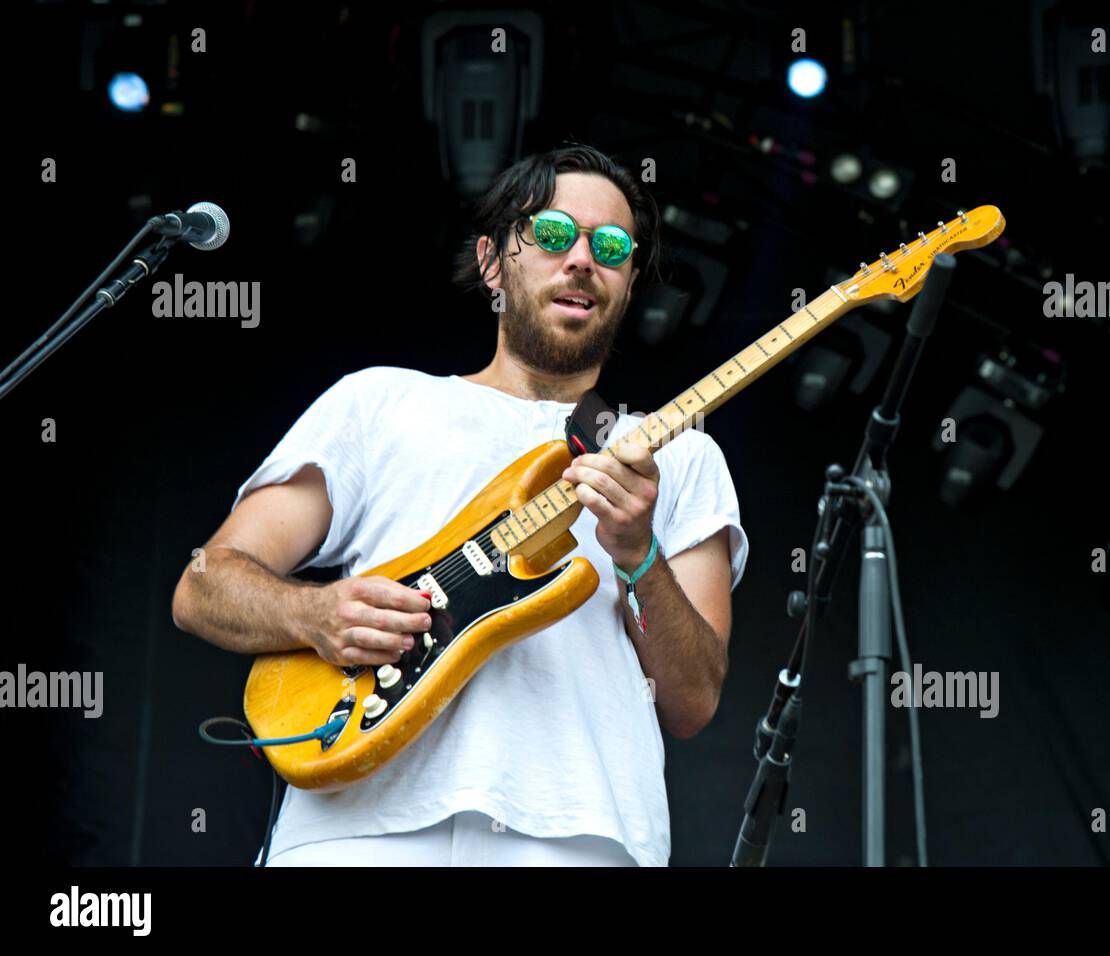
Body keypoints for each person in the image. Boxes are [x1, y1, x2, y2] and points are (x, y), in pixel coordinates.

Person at [171, 144, 748, 867]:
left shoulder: (678, 456)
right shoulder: (377, 402)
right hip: (356, 824)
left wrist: (639, 556)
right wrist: (312, 614)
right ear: (490, 262)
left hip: (579, 832)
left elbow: (692, 700)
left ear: (630, 282)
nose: (580, 260)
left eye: (609, 245)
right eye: (551, 234)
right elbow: (204, 584)